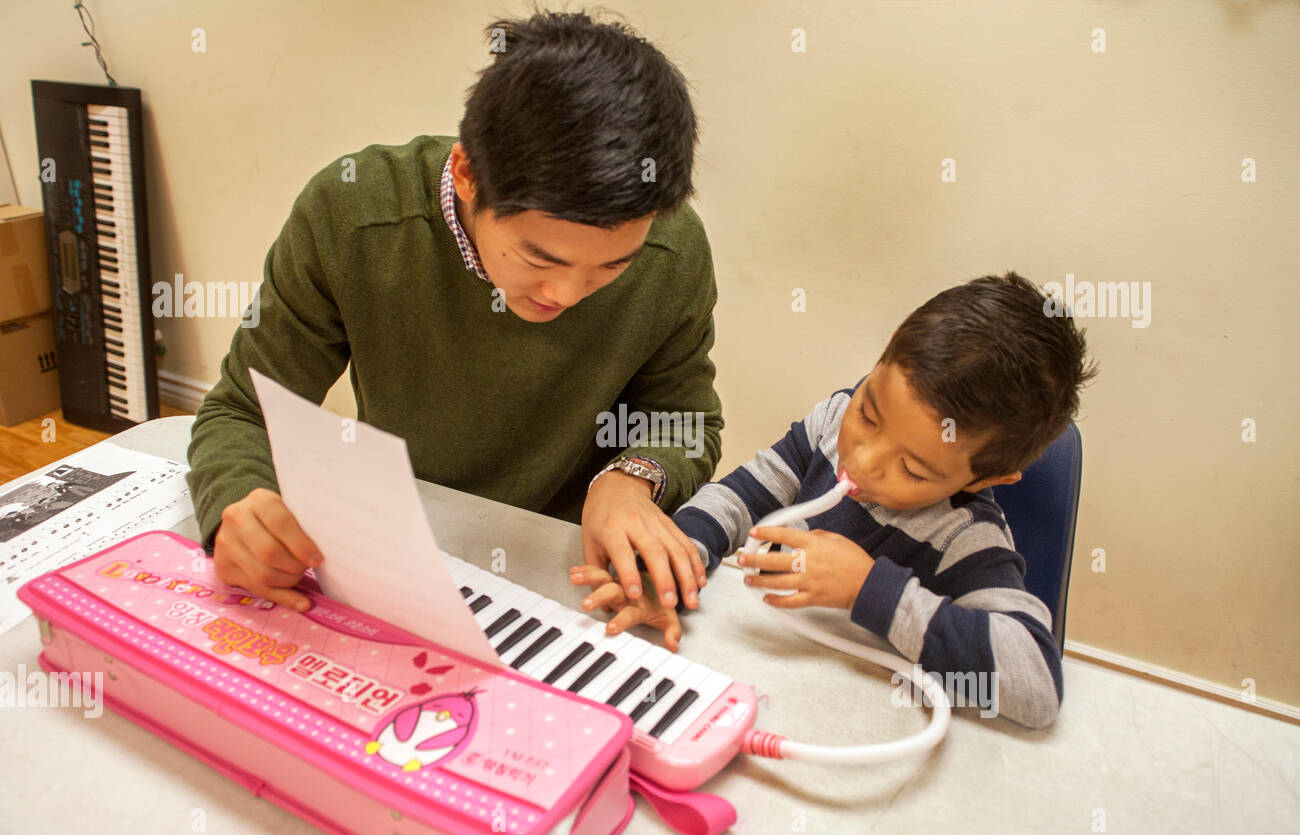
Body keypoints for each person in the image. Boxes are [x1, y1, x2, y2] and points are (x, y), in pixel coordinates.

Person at [186, 11, 723, 615]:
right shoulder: (354, 215)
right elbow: (239, 409)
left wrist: (629, 481)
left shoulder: (673, 252)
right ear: (468, 173)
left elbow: (685, 420)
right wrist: (240, 500)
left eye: (611, 268)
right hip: (398, 544)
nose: (567, 294)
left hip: (570, 567)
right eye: (537, 257)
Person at [570, 272, 1098, 729]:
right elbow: (738, 498)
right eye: (869, 412)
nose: (864, 460)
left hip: (861, 722)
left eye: (912, 467)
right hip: (759, 683)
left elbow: (1036, 686)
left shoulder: (963, 537)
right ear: (884, 354)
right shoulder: (831, 421)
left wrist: (869, 589)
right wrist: (669, 569)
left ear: (986, 480)